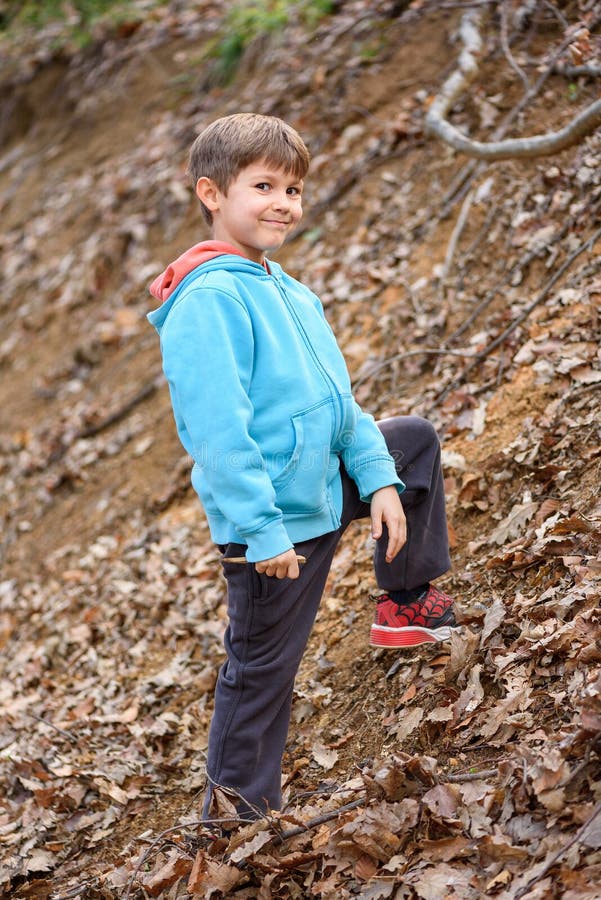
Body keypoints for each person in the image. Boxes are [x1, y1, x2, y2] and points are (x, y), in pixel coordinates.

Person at [147, 113, 458, 820]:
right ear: (210, 193)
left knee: (408, 440)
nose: (283, 203)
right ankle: (231, 823)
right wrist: (260, 531)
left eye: (292, 188)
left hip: (320, 479)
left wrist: (377, 479)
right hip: (274, 528)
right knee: (261, 674)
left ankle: (406, 606)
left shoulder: (287, 289)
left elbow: (337, 400)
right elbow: (218, 434)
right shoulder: (209, 300)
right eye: (262, 185)